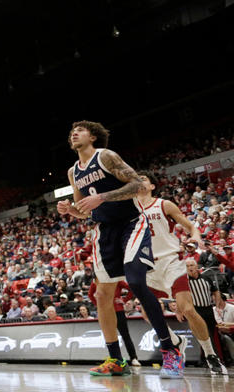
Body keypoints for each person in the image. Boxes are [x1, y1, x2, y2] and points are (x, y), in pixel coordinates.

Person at [57, 121, 184, 378]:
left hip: (131, 223)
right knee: (102, 296)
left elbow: (137, 185)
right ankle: (116, 360)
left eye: (79, 130)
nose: (74, 134)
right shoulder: (73, 172)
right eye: (71, 132)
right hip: (104, 231)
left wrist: (102, 197)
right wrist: (72, 210)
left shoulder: (106, 156)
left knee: (136, 281)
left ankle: (171, 350)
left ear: (92, 136)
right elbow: (85, 210)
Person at [138, 172, 226, 374]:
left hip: (171, 260)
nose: (138, 180)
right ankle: (176, 341)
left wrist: (194, 239)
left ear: (152, 186)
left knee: (187, 308)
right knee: (146, 311)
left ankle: (210, 355)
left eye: (143, 178)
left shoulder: (164, 204)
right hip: (148, 265)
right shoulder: (129, 209)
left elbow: (191, 227)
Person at [186, 259, 227, 369]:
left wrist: (217, 305)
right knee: (204, 334)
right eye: (187, 266)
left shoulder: (205, 278)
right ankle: (215, 360)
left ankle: (207, 359)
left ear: (196, 267)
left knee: (212, 334)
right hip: (195, 310)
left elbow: (216, 291)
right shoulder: (185, 281)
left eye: (192, 265)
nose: (190, 267)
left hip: (208, 309)